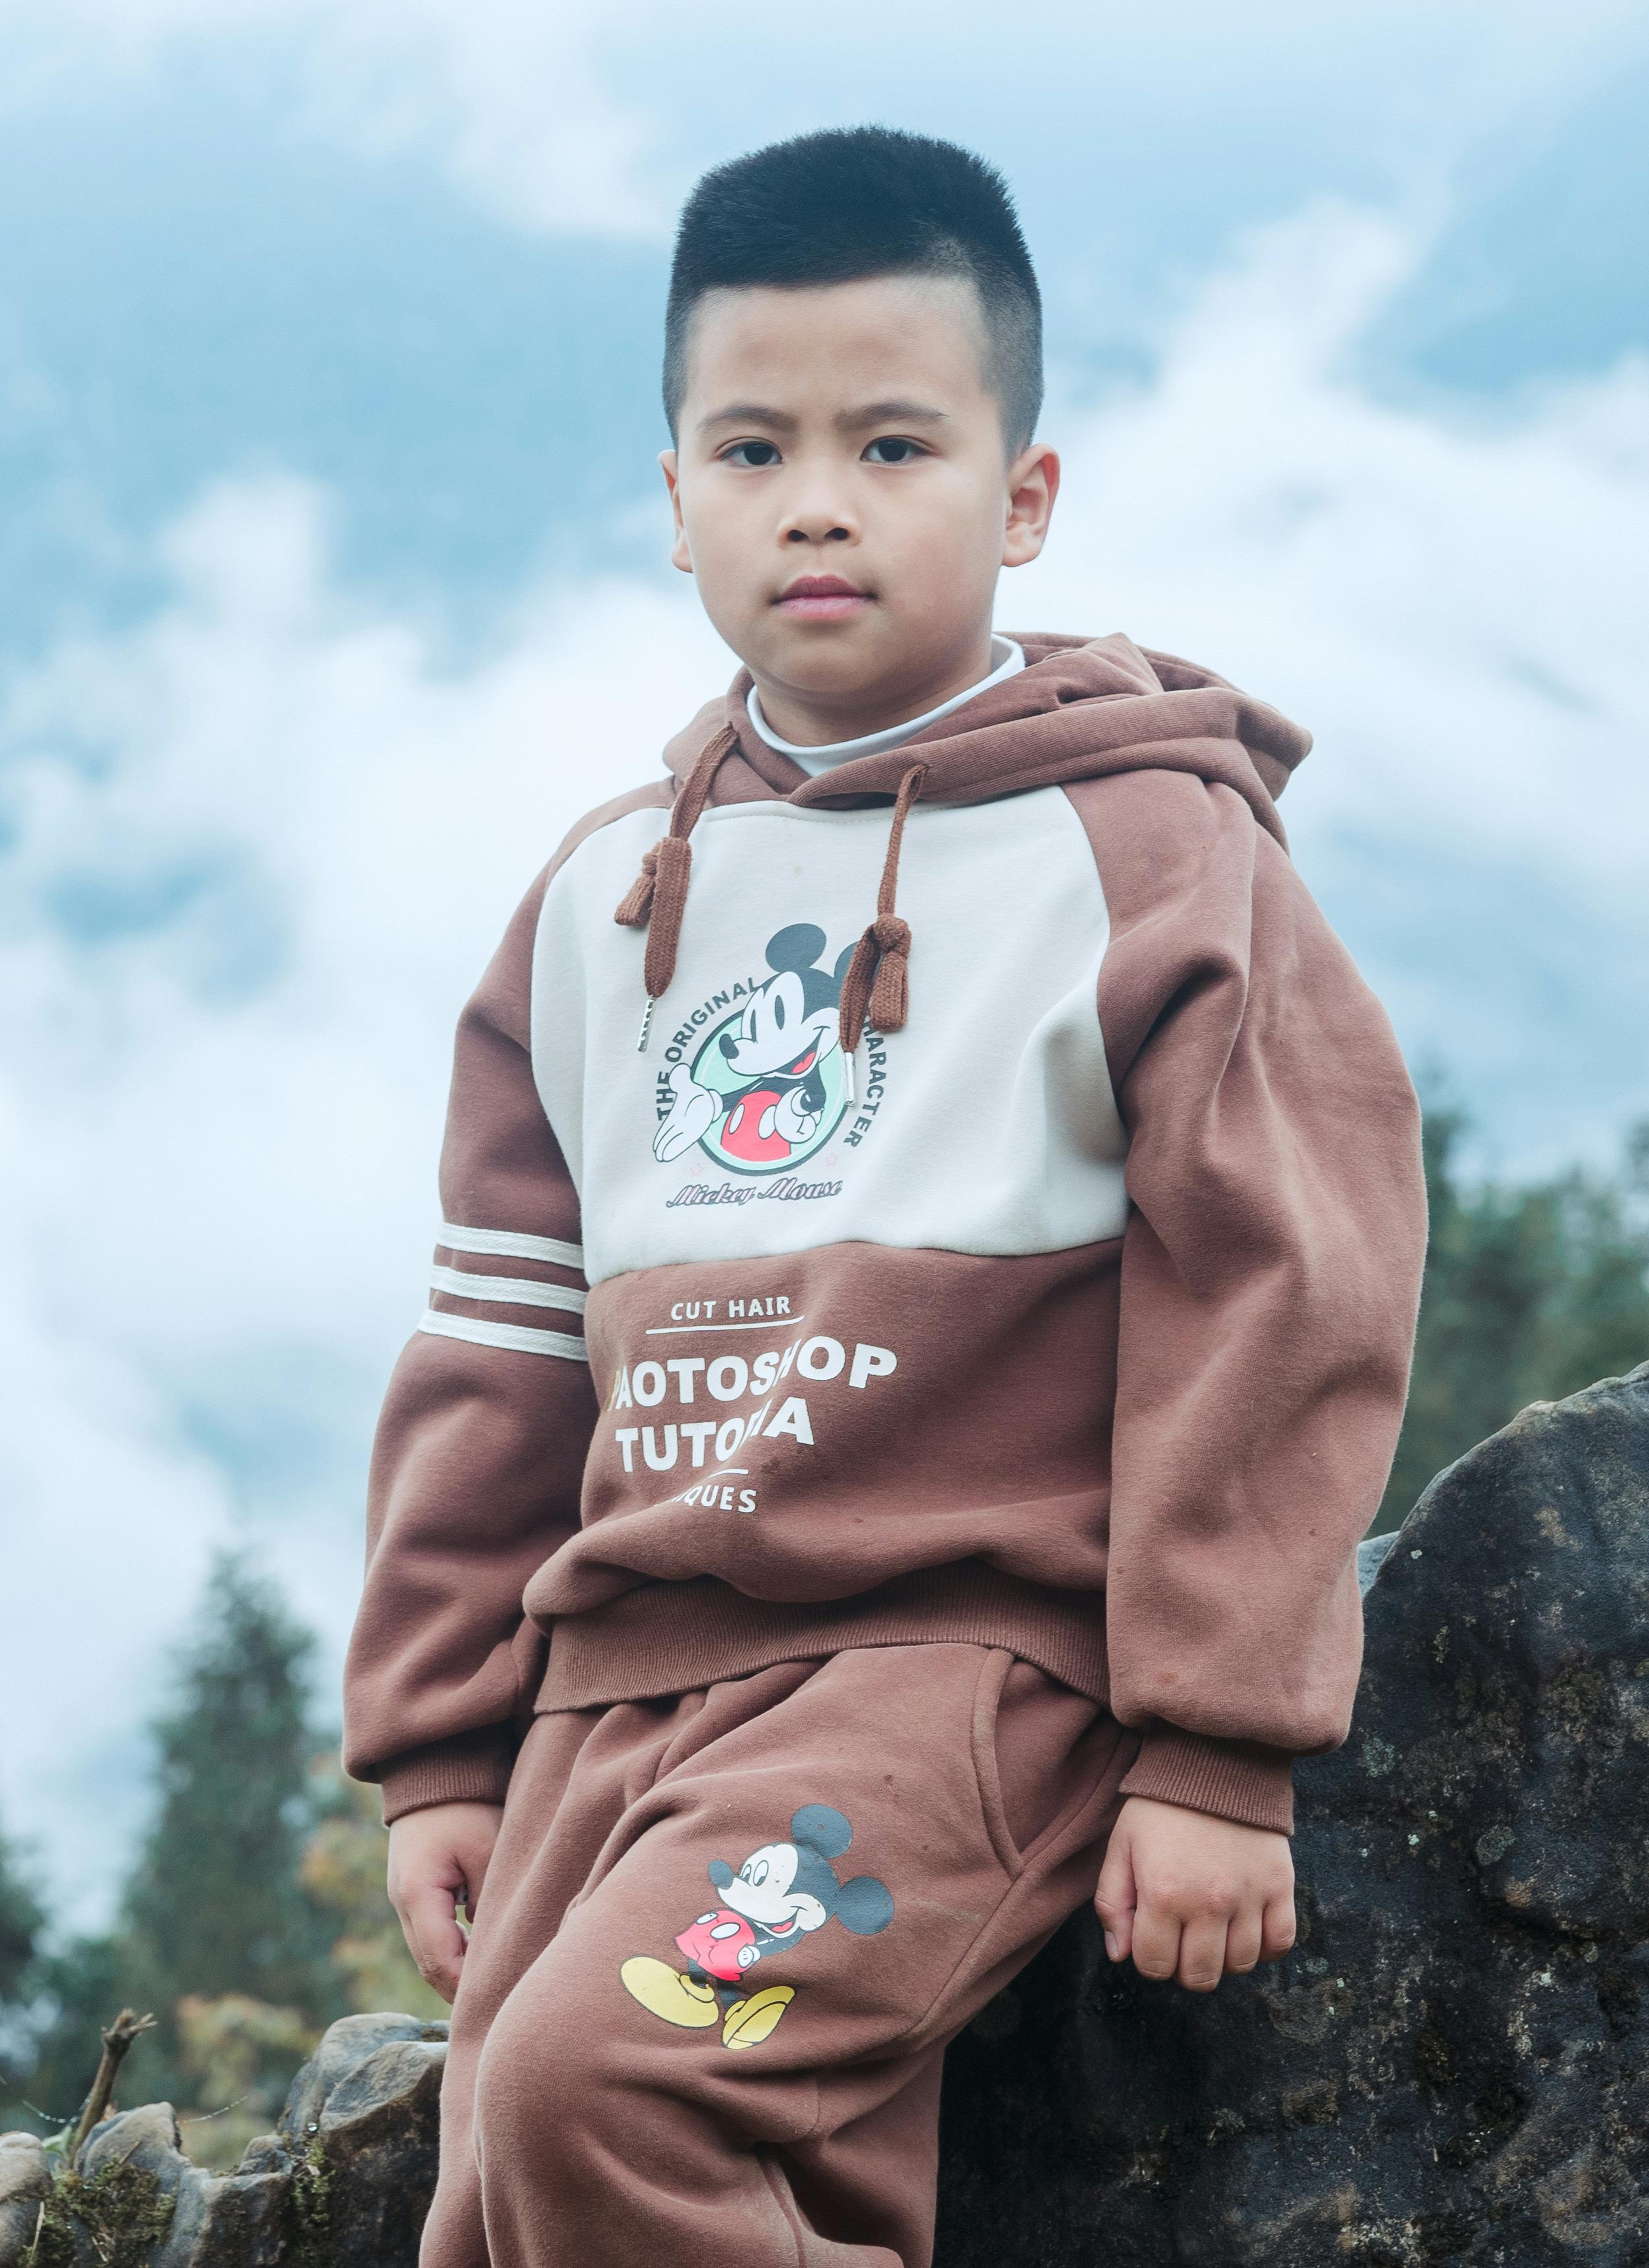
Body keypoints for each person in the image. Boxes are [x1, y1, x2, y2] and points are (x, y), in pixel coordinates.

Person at [339, 127, 1422, 2267]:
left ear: (1025, 495)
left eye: (893, 444)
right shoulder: (595, 899)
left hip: (959, 1670)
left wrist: (1220, 1743)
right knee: (495, 2196)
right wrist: (443, 1748)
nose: (815, 502)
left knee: (608, 2088)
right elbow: (499, 1342)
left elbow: (1288, 1289)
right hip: (620, 1688)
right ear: (674, 501)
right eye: (753, 449)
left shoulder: (1156, 854)